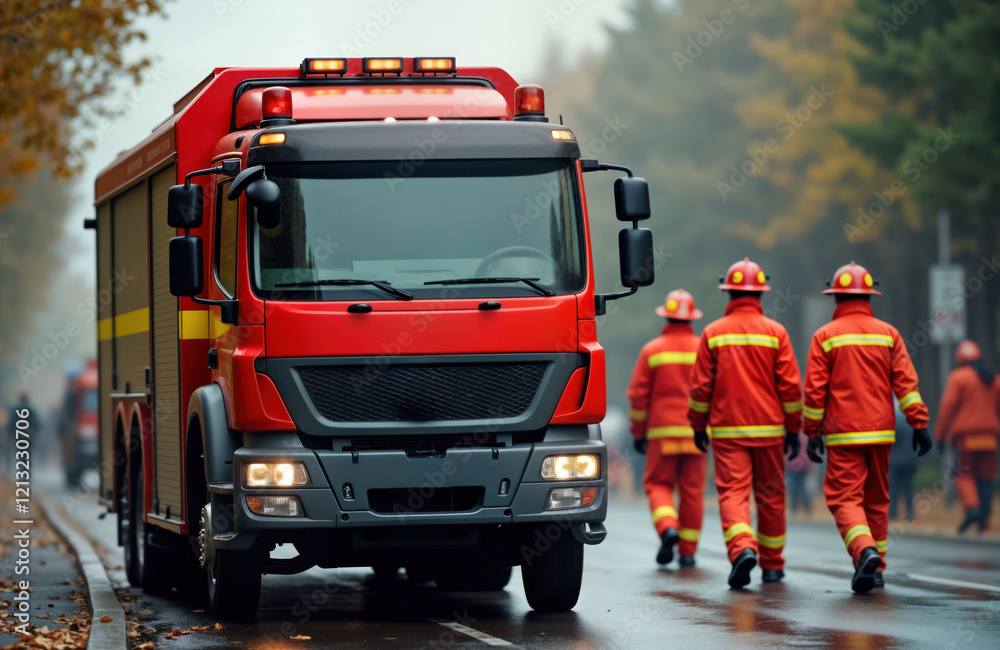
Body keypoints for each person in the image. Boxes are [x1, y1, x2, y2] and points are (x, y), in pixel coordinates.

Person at [803, 262, 931, 593]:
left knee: (845, 499)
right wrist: (919, 424)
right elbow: (906, 383)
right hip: (882, 433)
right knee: (877, 501)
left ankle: (865, 551)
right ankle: (876, 570)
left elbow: (815, 392)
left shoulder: (825, 337)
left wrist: (811, 432)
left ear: (836, 298)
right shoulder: (889, 334)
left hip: (843, 433)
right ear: (869, 296)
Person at [688, 258, 803, 588]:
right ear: (760, 293)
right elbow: (791, 388)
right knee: (771, 497)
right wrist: (794, 429)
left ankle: (742, 551)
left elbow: (700, 389)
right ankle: (773, 567)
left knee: (734, 495)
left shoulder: (713, 333)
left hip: (728, 433)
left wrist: (698, 425)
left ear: (729, 292)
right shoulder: (776, 333)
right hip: (769, 431)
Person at [627, 289, 706, 567]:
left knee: (658, 485)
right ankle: (687, 552)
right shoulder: (703, 349)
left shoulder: (652, 350)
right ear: (691, 318)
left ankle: (668, 528)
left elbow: (637, 395)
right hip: (697, 435)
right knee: (693, 492)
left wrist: (638, 432)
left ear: (666, 316)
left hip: (662, 434)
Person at [934, 340, 1000, 534]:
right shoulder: (993, 379)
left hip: (967, 438)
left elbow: (947, 408)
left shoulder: (958, 378)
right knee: (986, 478)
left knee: (962, 474)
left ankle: (972, 509)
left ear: (959, 359)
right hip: (991, 438)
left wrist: (940, 436)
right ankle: (984, 522)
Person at [888, 400, 919, 522]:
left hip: (896, 461)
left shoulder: (895, 423)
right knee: (908, 487)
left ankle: (893, 512)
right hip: (910, 461)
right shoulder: (913, 422)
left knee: (894, 487)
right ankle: (910, 513)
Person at [787, 431, 813, 515]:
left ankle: (794, 507)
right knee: (802, 486)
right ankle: (807, 506)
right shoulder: (806, 436)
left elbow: (788, 451)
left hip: (793, 465)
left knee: (794, 487)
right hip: (803, 465)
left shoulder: (793, 435)